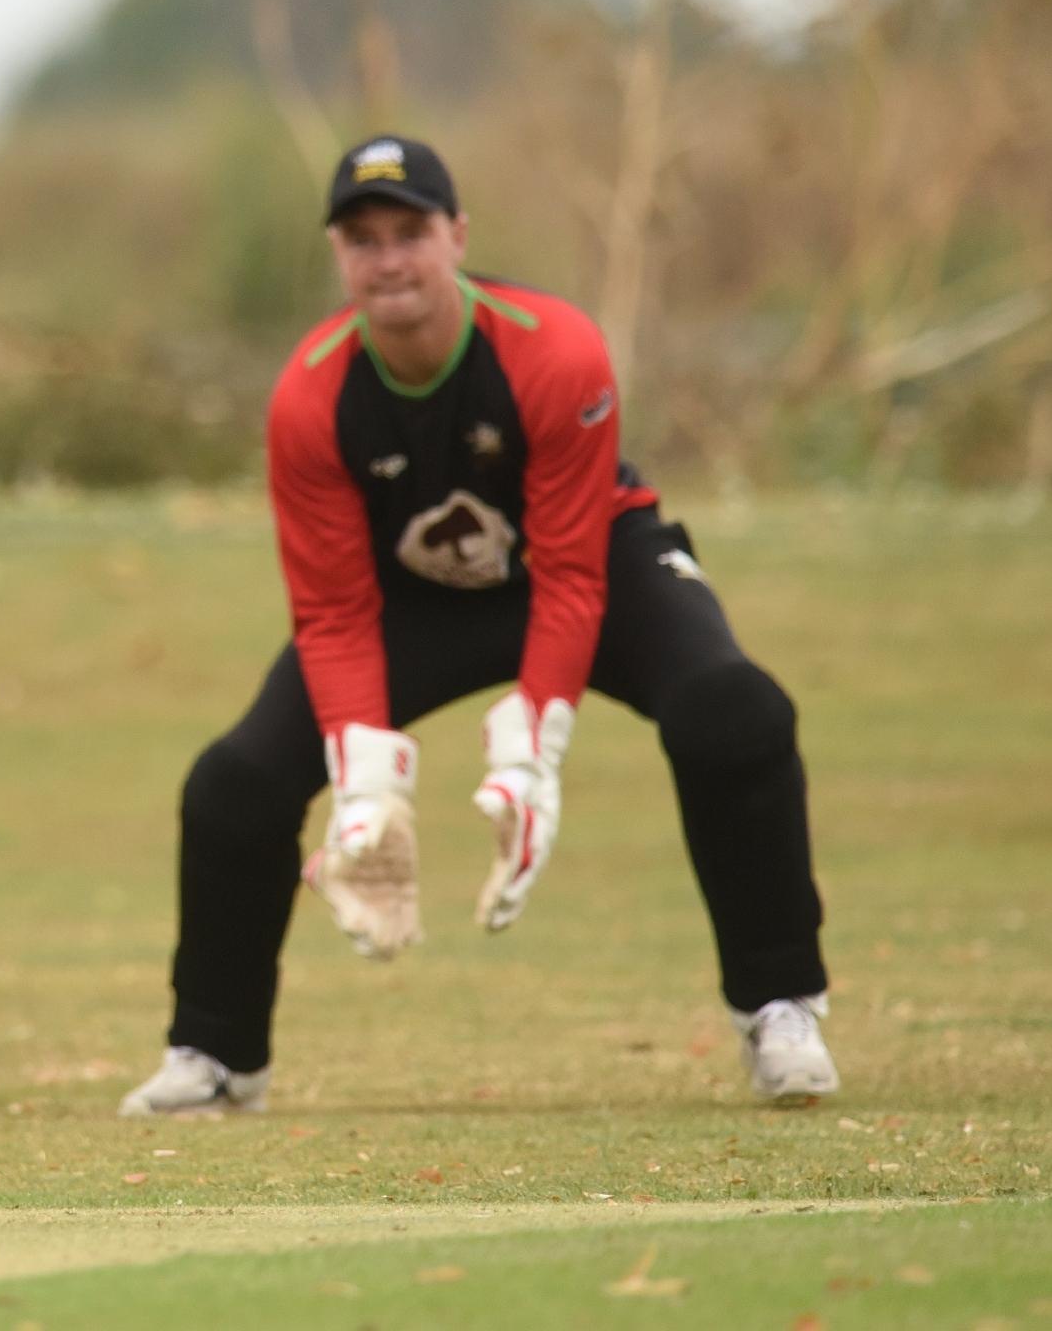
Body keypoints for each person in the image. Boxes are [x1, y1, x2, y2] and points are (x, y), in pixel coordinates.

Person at [121, 137, 837, 1119]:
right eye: (363, 240)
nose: (388, 260)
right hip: (412, 595)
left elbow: (573, 574)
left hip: (589, 561)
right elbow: (333, 612)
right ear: (337, 255)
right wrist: (365, 792)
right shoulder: (310, 395)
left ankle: (779, 1007)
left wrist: (530, 757)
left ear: (457, 236)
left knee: (735, 712)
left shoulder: (554, 349)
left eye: (409, 233)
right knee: (233, 785)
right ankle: (214, 1055)